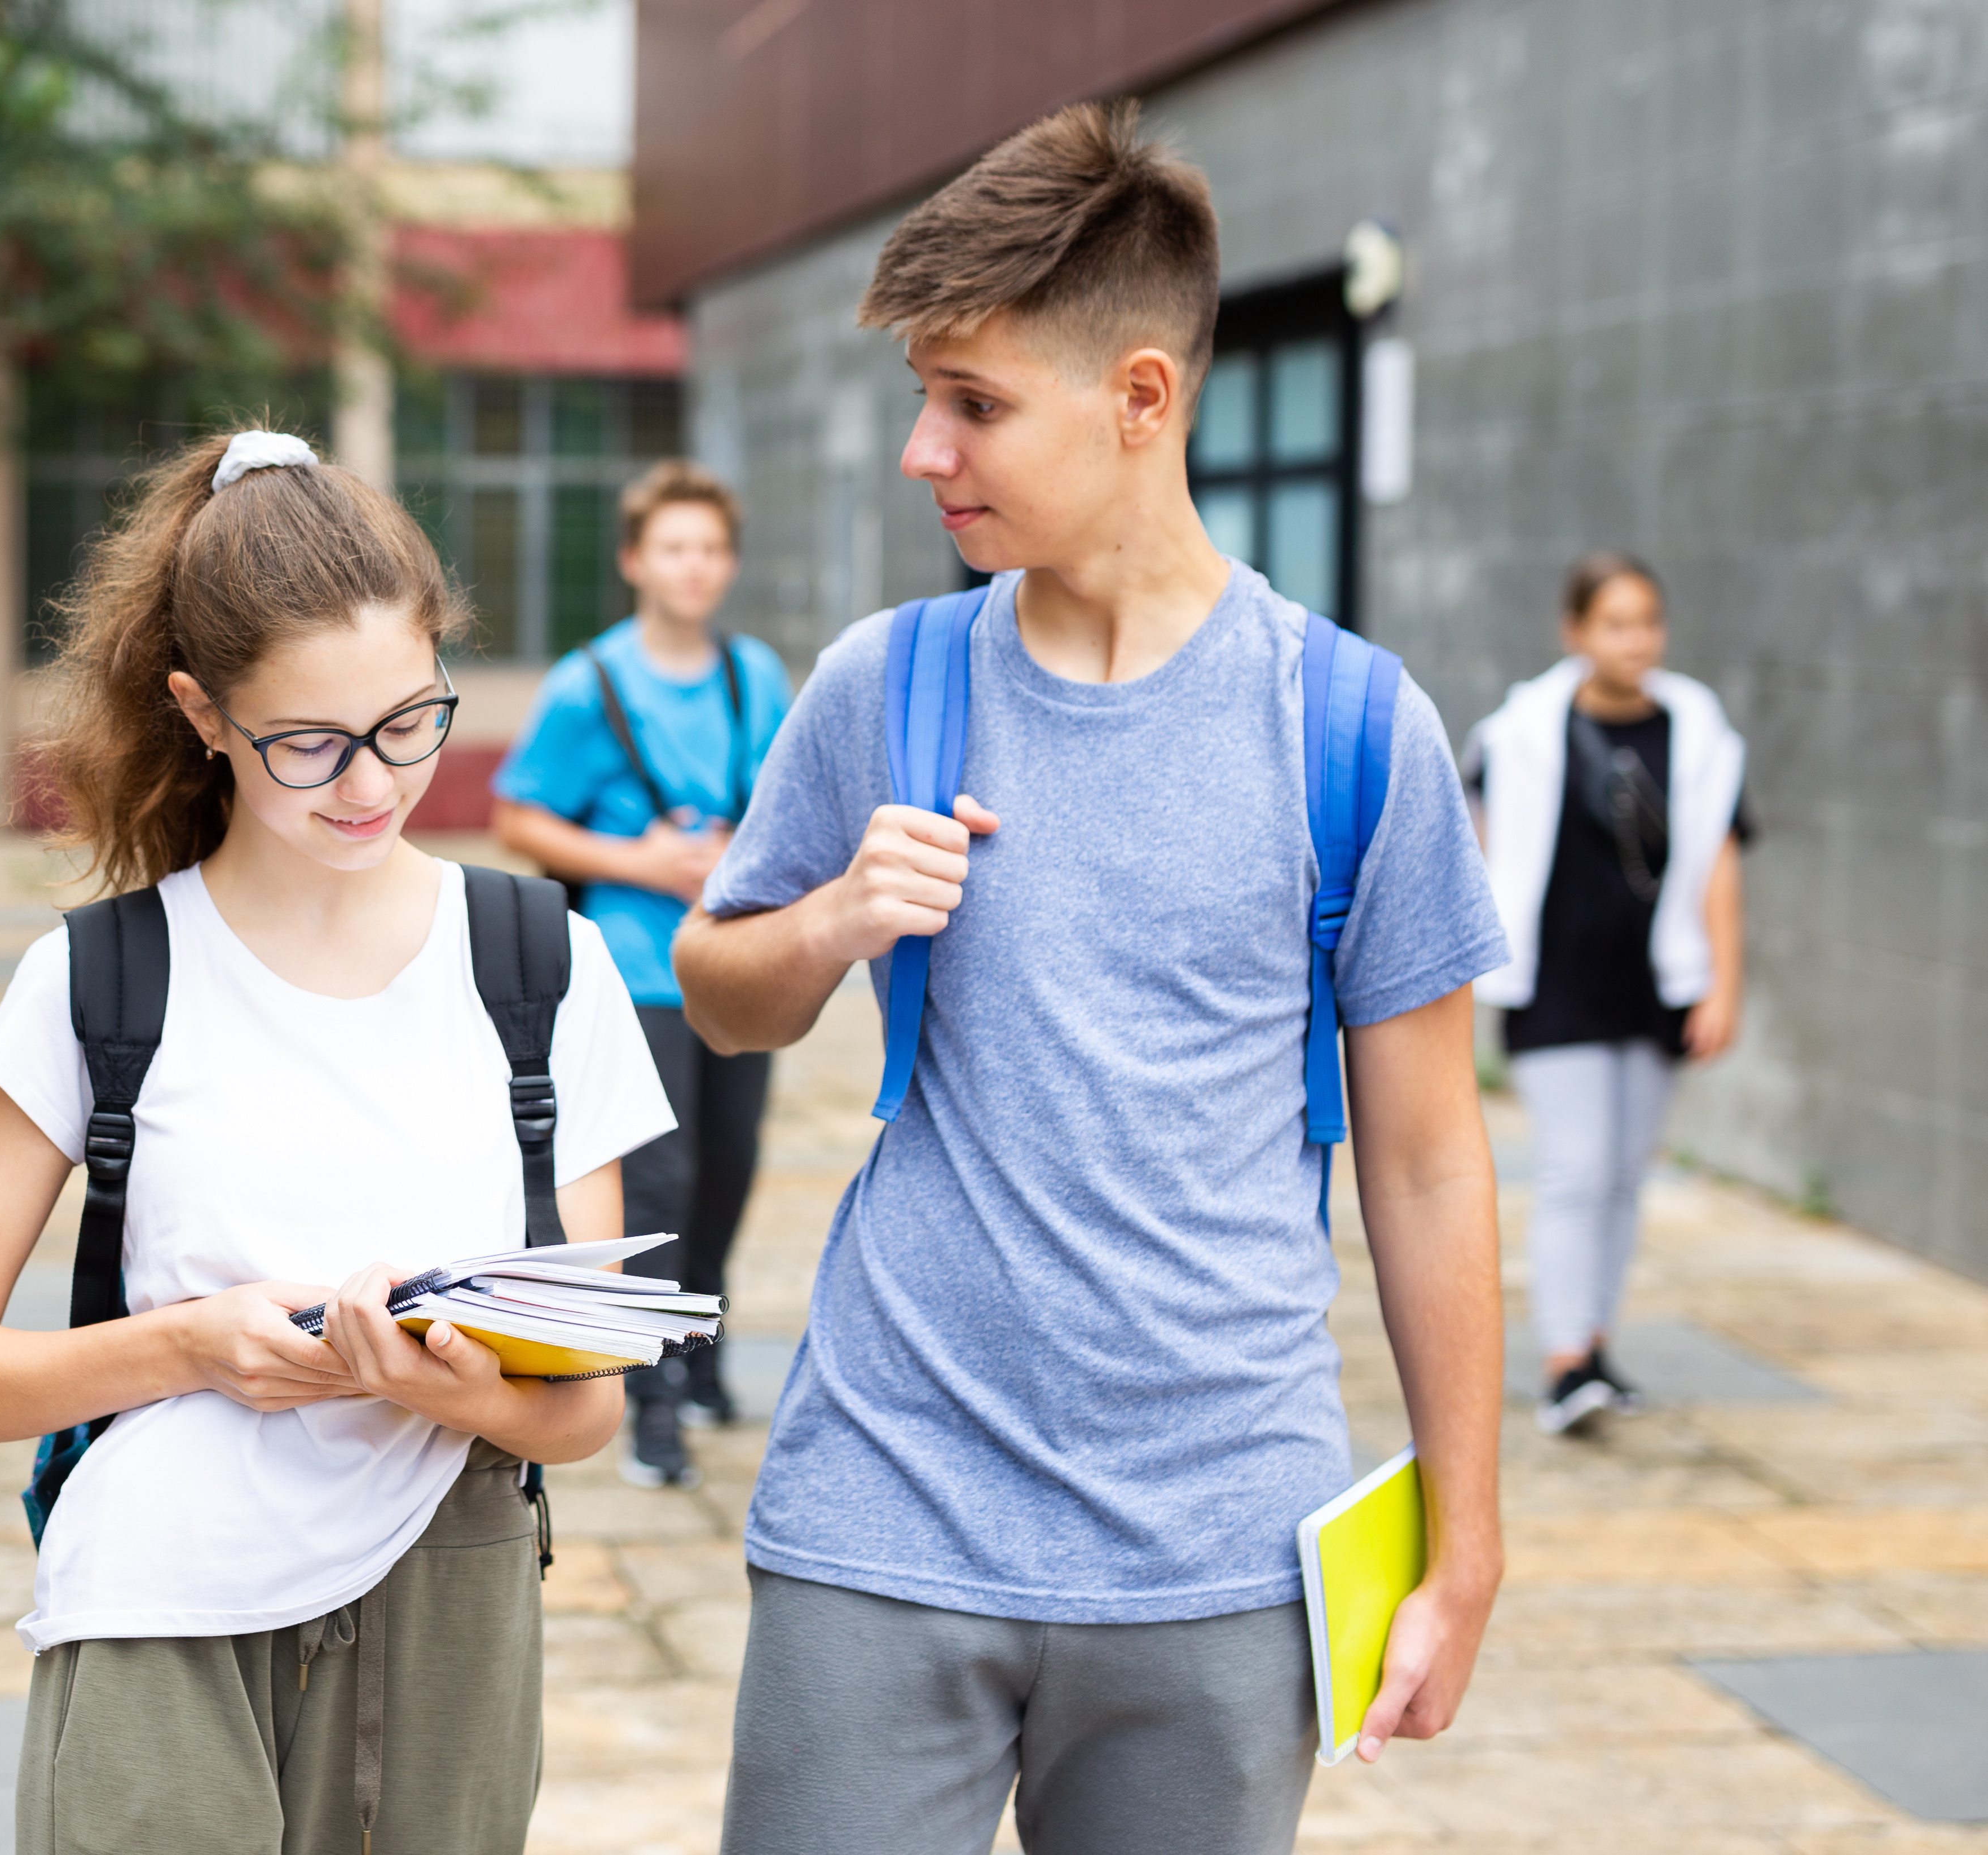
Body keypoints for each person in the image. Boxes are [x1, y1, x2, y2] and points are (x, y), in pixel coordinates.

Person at [671, 104, 1512, 1850]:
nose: (922, 450)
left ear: (1140, 397)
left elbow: (1429, 1164)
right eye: (923, 398)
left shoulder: (1350, 730)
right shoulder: (883, 685)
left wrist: (1466, 1541)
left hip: (1214, 1549)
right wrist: (829, 922)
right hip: (882, 1510)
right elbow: (718, 988)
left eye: (971, 403)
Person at [0, 430, 672, 1855]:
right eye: (309, 745)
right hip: (160, 1597)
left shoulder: (543, 968)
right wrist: (189, 1346)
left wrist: (438, 1386)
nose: (368, 784)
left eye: (409, 723)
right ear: (201, 712)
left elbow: (588, 1410)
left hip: (453, 1584)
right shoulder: (103, 980)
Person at [490, 460, 790, 1488]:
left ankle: (699, 1354)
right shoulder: (590, 684)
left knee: (733, 1164)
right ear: (633, 560)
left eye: (710, 548)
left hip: (735, 960)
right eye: (673, 547)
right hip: (633, 970)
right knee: (657, 1180)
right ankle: (651, 1400)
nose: (694, 566)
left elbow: (785, 808)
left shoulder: (758, 677)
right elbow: (518, 815)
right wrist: (643, 862)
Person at [1465, 553, 1748, 1437]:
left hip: (1659, 980)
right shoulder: (1517, 733)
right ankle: (1561, 1364)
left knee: (1624, 1176)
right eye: (1616, 622)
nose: (1637, 640)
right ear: (1576, 631)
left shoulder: (1699, 730)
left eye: (1648, 621)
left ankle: (1595, 1345)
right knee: (1576, 1169)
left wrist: (1724, 985)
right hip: (1554, 983)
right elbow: (1470, 844)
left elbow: (1721, 864)